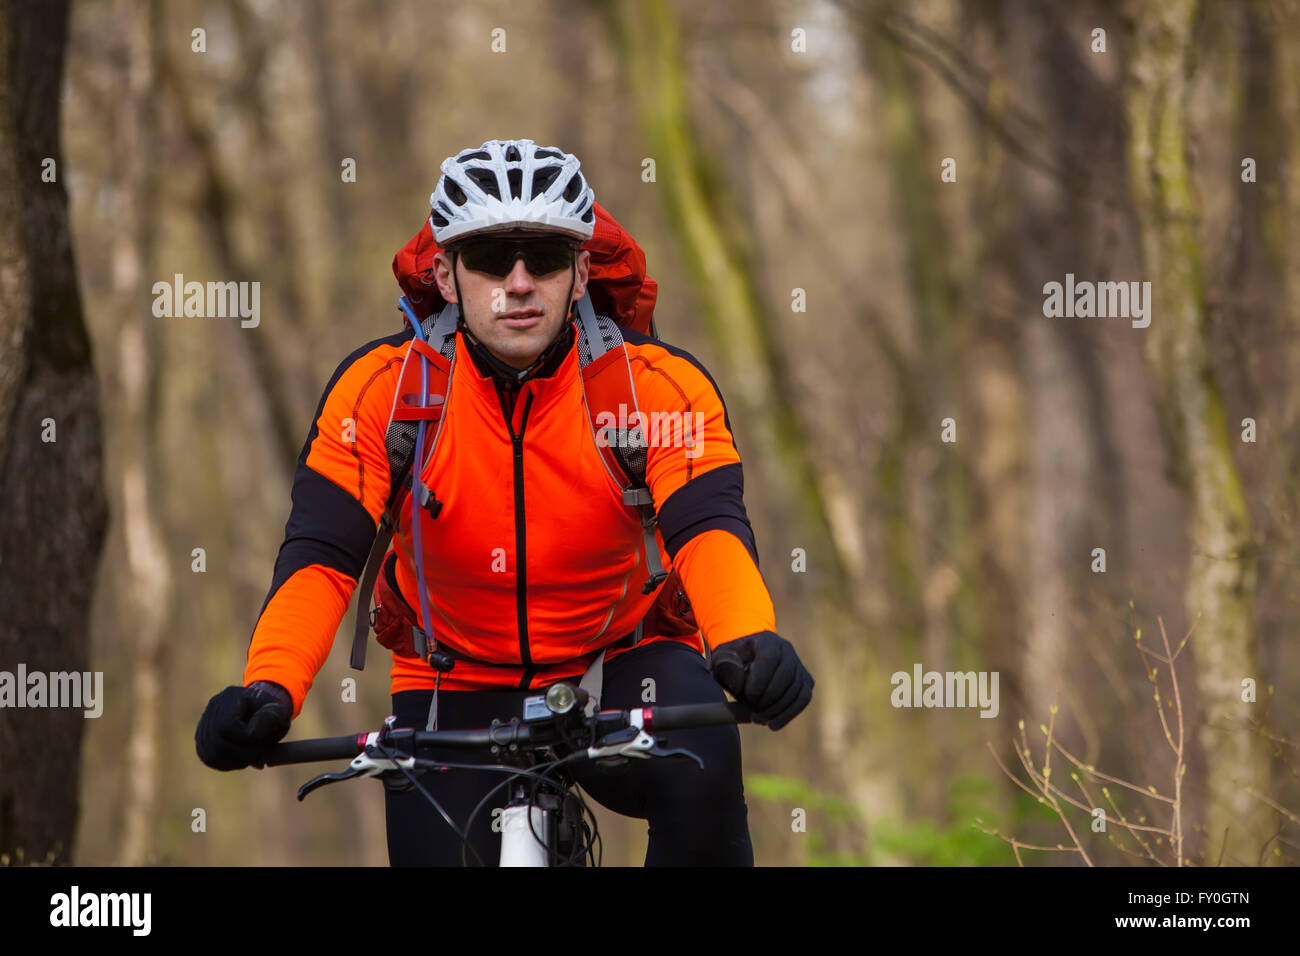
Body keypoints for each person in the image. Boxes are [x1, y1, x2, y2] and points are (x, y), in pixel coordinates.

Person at [195, 138, 814, 866]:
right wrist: (270, 686)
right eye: (490, 257)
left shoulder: (651, 389)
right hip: (450, 675)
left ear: (581, 272)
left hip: (620, 660)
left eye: (544, 257)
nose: (519, 283)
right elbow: (322, 558)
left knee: (703, 763)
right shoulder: (385, 393)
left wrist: (746, 639)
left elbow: (708, 530)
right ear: (447, 274)